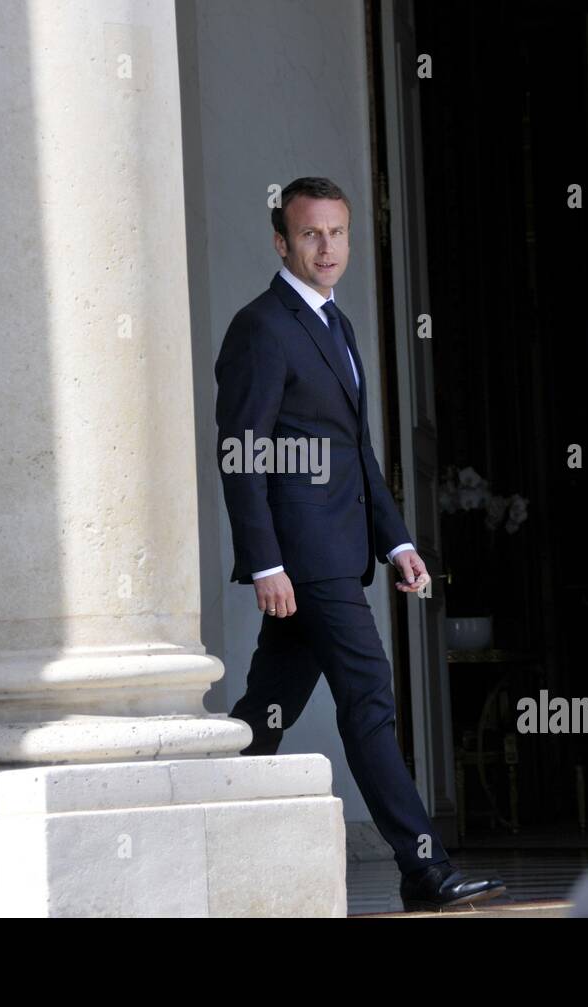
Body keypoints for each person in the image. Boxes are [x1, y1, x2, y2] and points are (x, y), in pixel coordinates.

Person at [214, 176, 505, 912]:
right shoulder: (261, 326)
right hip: (305, 563)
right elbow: (241, 451)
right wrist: (266, 562)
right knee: (369, 698)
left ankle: (203, 827)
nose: (327, 247)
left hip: (341, 553)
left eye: (337, 233)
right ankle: (424, 867)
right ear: (281, 241)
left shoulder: (335, 326)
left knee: (265, 709)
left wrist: (397, 540)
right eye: (311, 234)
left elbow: (357, 452)